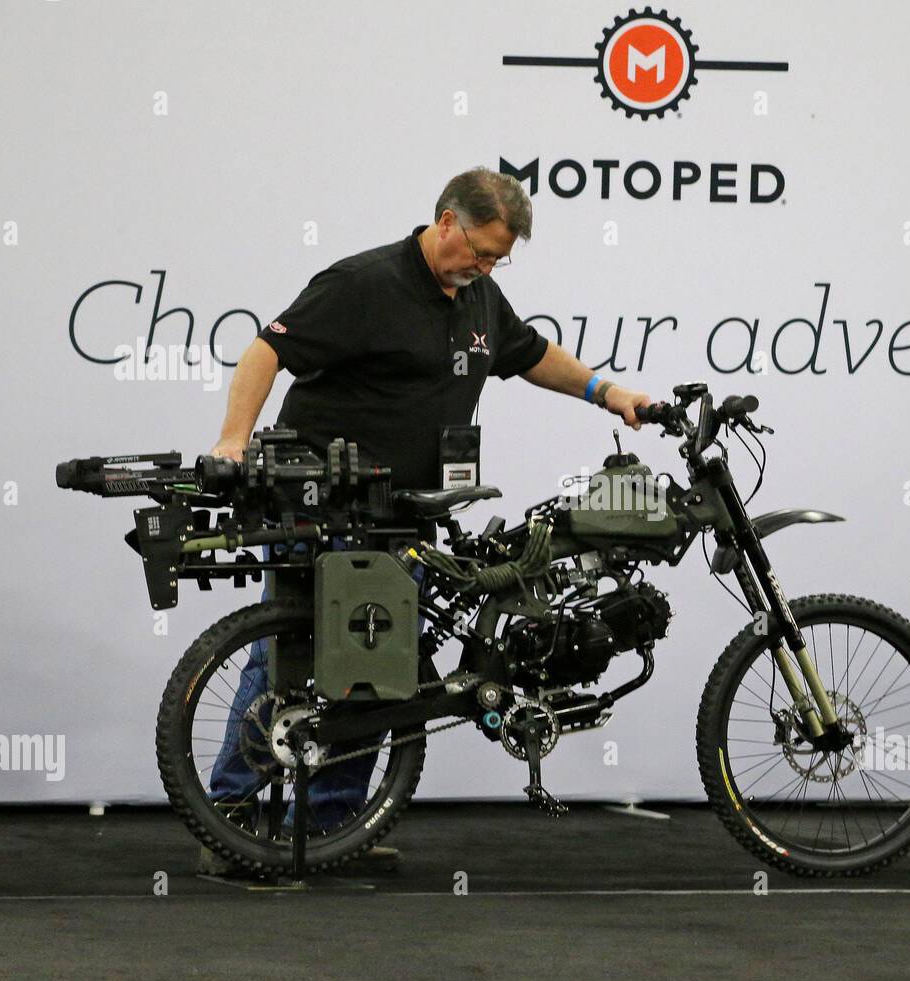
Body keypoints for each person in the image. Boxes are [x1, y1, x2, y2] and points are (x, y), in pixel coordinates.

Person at [199, 167, 653, 872]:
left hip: (403, 517)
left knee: (378, 670)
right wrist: (233, 439)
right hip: (320, 507)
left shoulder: (479, 298)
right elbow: (268, 350)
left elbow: (530, 355)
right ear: (446, 221)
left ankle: (331, 828)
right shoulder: (363, 283)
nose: (484, 266)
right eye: (478, 251)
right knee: (283, 659)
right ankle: (229, 819)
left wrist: (606, 390)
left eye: (498, 258)